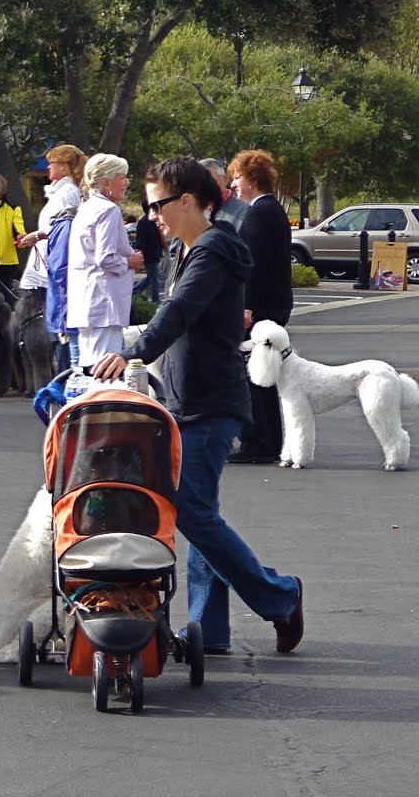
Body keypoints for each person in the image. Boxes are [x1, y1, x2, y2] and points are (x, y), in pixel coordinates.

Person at [90, 155, 303, 657]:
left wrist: (131, 350)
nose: (151, 215)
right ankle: (211, 629)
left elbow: (179, 311)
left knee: (191, 509)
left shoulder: (210, 251)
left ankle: (281, 596)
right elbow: (176, 314)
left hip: (211, 400)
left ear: (187, 200)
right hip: (190, 399)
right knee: (199, 509)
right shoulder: (191, 249)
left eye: (157, 204)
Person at [229, 148, 294, 464]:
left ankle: (260, 441)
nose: (234, 185)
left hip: (262, 307)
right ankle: (268, 440)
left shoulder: (258, 213)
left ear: (252, 178)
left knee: (257, 376)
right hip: (275, 303)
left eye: (237, 177)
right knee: (264, 375)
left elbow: (253, 265)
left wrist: (247, 306)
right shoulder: (273, 210)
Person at [66, 153, 143, 367]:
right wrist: (131, 261)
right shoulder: (108, 210)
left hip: (89, 303)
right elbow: (106, 257)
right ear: (106, 182)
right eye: (122, 177)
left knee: (90, 364)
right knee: (104, 369)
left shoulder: (87, 208)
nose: (127, 182)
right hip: (104, 303)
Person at [18, 143, 84, 370]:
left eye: (52, 163)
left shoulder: (67, 193)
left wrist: (39, 235)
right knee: (56, 324)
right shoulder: (62, 192)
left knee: (60, 325)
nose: (48, 168)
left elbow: (64, 228)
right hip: (50, 262)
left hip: (56, 266)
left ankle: (66, 376)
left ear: (64, 167)